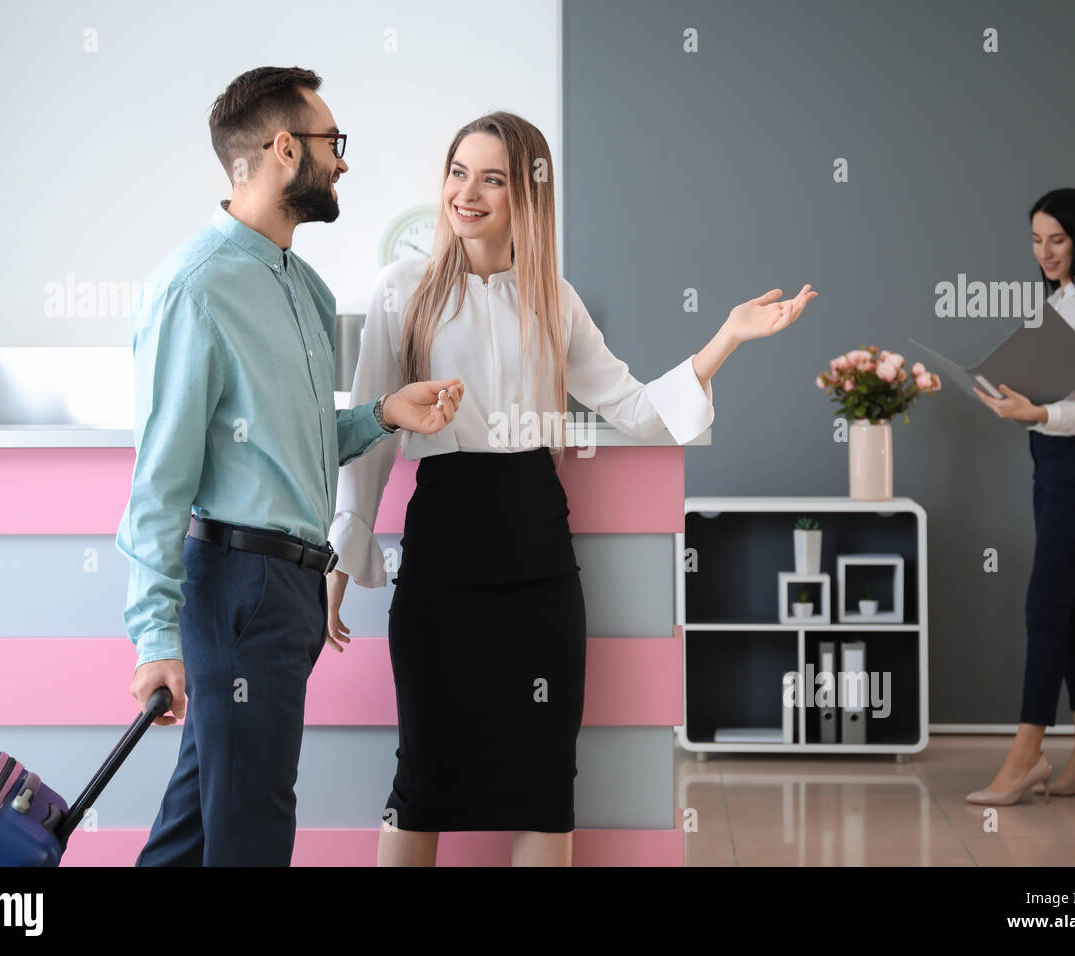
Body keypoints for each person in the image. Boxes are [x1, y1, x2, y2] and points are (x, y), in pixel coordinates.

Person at [326, 111, 817, 865]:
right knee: (422, 775)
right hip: (443, 552)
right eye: (459, 173)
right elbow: (368, 440)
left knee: (546, 783)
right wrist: (339, 556)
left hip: (537, 558)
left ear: (527, 193)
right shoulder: (401, 291)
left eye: (493, 178)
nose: (469, 193)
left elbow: (634, 409)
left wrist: (726, 338)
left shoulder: (551, 296)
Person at [116, 66, 464, 866]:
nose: (342, 162)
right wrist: (152, 640)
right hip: (239, 590)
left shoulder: (301, 286)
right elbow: (159, 484)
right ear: (283, 148)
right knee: (252, 830)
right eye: (331, 143)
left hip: (290, 592)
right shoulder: (195, 288)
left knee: (201, 822)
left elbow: (292, 441)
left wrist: (380, 415)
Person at [965, 187, 1075, 806]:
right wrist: (1021, 404)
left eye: (1056, 239)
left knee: (1044, 609)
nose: (1045, 252)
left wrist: (1039, 411)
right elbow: (1055, 395)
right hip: (1054, 462)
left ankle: (1026, 756)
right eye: (1036, 240)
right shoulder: (1059, 302)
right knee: (1071, 606)